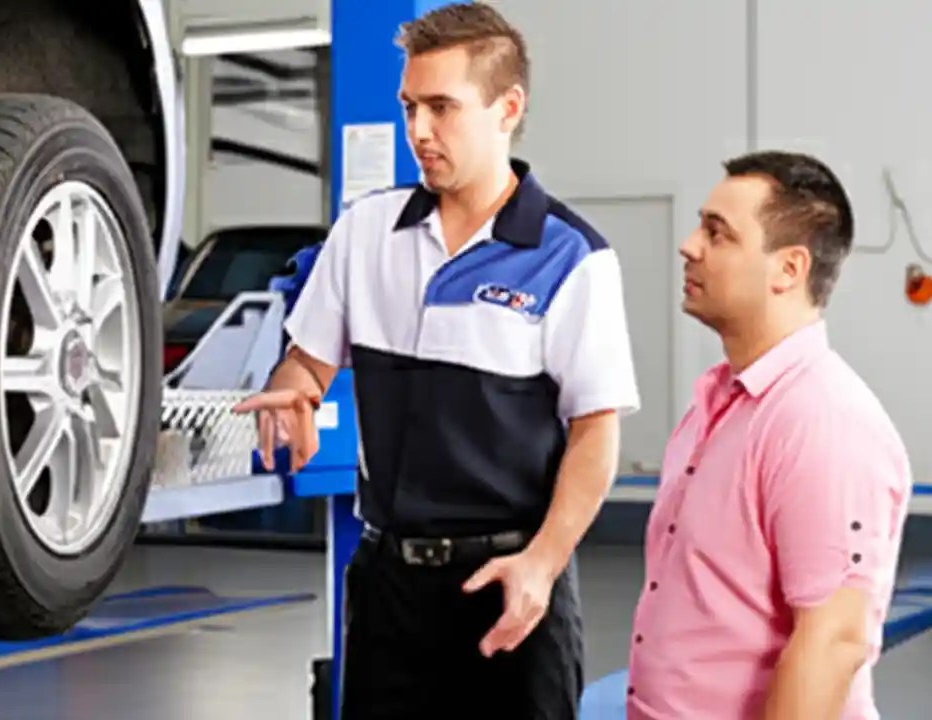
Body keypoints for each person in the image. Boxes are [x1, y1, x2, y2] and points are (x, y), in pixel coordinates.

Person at [233, 3, 640, 718]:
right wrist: (293, 389)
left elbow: (596, 432)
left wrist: (542, 567)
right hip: (390, 590)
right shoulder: (365, 233)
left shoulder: (572, 257)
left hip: (512, 585)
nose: (418, 131)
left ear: (507, 108)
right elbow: (309, 360)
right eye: (410, 107)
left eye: (442, 108)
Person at [626, 151, 912, 719]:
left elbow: (834, 641)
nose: (689, 245)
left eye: (717, 233)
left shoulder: (822, 421)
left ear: (789, 269)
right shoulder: (719, 402)